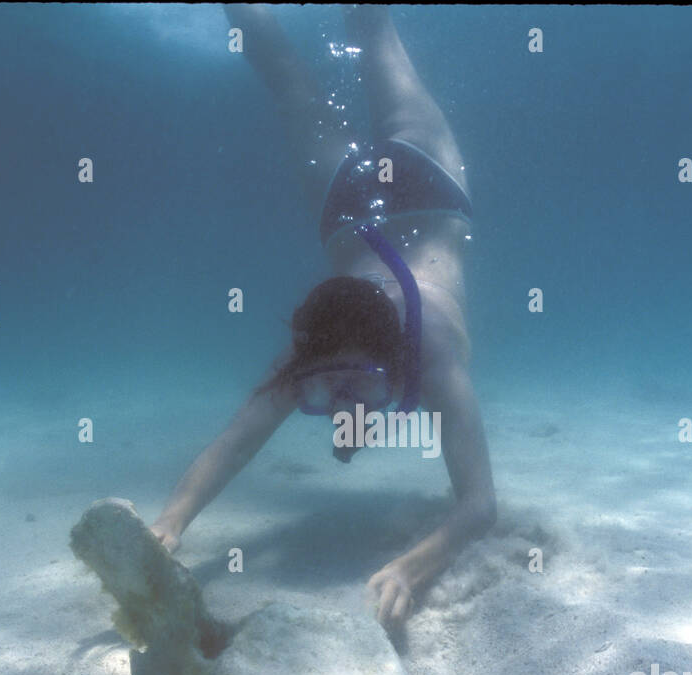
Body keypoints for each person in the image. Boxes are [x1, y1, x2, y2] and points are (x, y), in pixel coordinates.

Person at [151, 4, 495, 629]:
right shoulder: (313, 352)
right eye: (326, 389)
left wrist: (408, 569)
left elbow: (480, 507)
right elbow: (233, 447)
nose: (338, 404)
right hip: (380, 197)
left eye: (346, 389)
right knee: (329, 53)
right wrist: (169, 524)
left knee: (331, 53)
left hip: (390, 195)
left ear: (394, 357)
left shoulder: (435, 348)